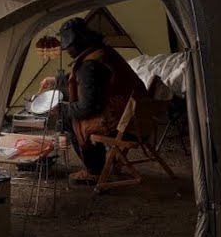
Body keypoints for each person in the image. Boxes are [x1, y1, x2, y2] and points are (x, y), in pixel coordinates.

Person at [39, 17, 149, 182]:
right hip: (141, 115)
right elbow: (86, 81)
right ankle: (99, 165)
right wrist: (57, 80)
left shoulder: (88, 66)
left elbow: (88, 107)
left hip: (126, 125)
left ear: (77, 44)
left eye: (68, 47)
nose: (67, 51)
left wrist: (60, 109)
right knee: (69, 100)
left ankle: (94, 171)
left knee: (72, 120)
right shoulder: (102, 52)